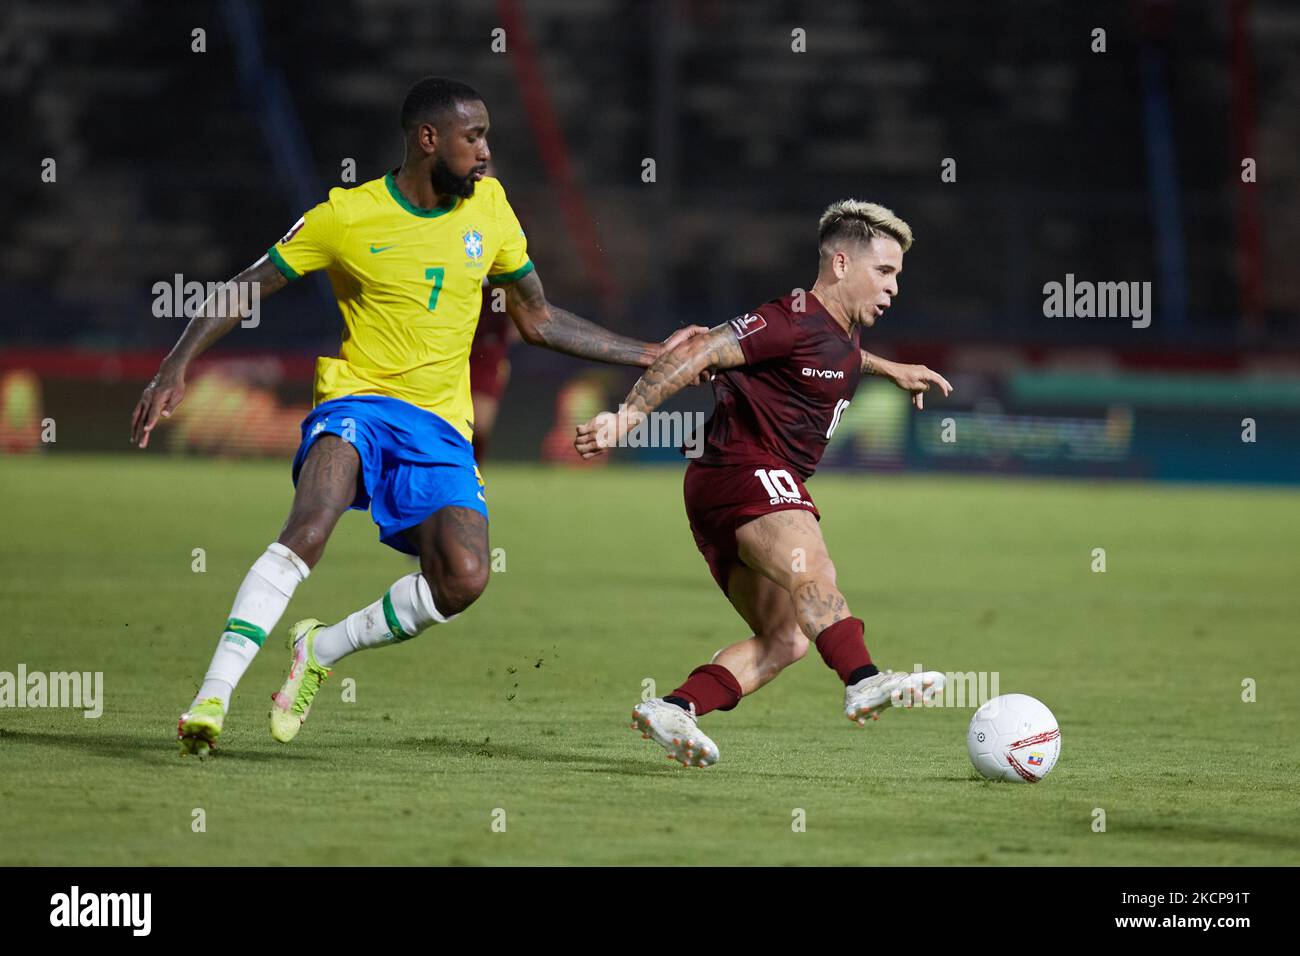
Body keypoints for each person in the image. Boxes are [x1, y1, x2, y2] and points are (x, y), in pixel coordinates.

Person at [131, 77, 703, 754]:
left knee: (464, 578)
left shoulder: (490, 208)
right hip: (357, 403)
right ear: (428, 140)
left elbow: (538, 317)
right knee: (310, 523)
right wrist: (177, 364)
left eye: (487, 135)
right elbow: (247, 285)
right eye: (475, 136)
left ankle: (321, 649)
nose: (487, 151)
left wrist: (647, 353)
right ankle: (212, 696)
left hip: (438, 426)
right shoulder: (346, 216)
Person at [575, 199, 952, 767]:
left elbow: (835, 356)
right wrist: (627, 418)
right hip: (744, 468)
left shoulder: (836, 331)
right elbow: (700, 349)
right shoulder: (789, 319)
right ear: (842, 264)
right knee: (812, 565)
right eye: (885, 271)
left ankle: (675, 708)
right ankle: (863, 679)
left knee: (786, 640)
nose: (894, 286)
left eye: (897, 274)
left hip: (724, 488)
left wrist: (890, 369)